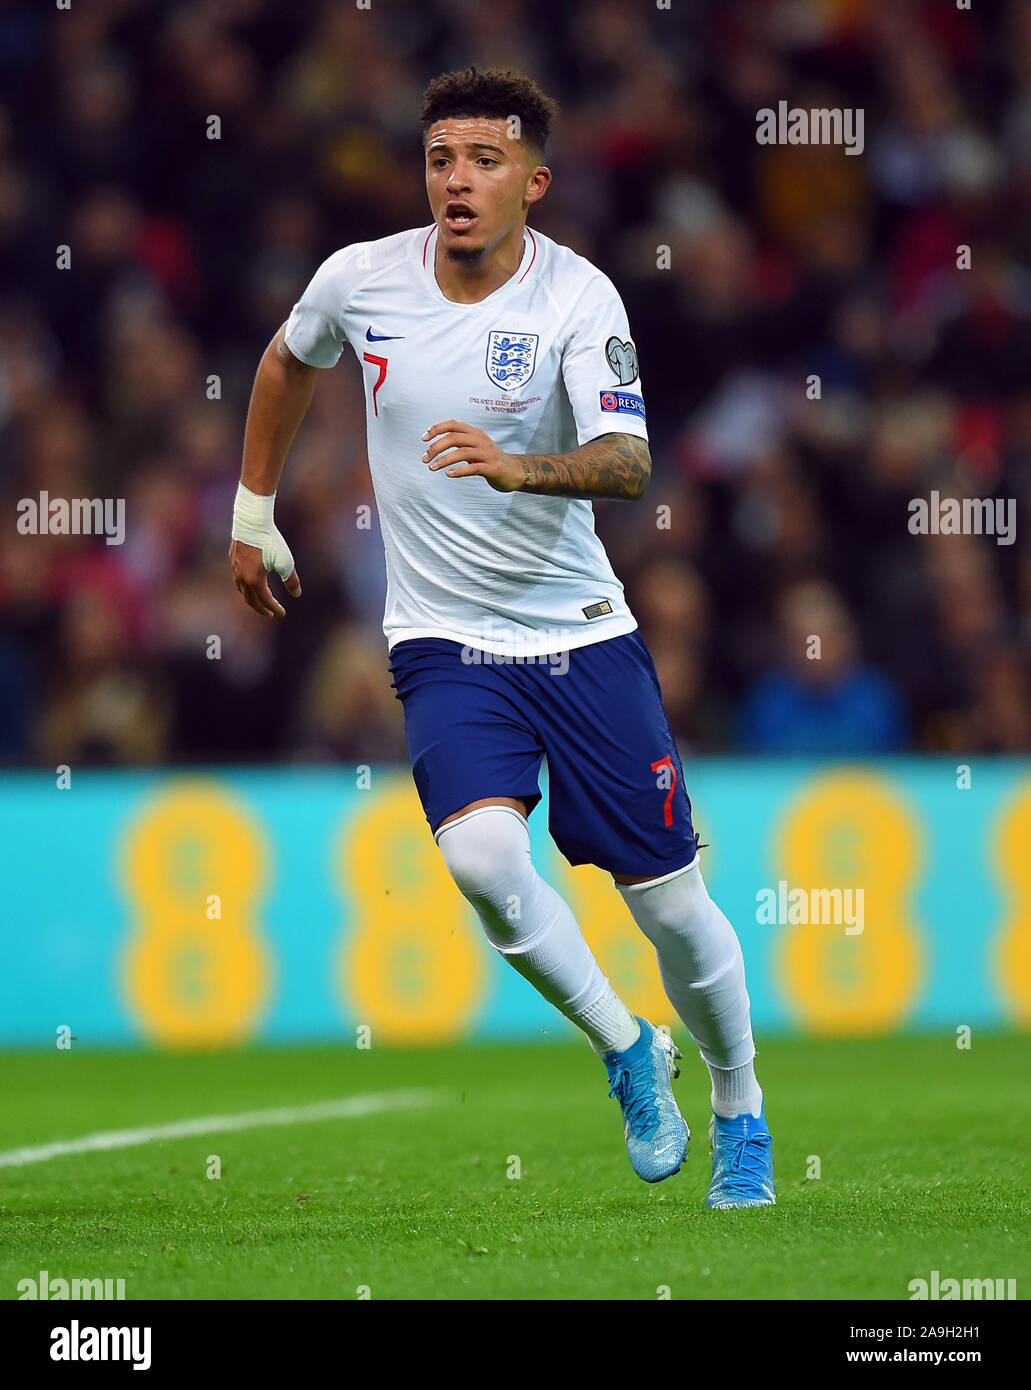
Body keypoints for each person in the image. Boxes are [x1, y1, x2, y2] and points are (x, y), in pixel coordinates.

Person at [229, 66, 774, 1207]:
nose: (456, 182)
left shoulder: (579, 299)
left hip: (577, 635)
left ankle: (738, 1107)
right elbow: (287, 358)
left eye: (482, 161)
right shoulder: (360, 279)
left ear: (533, 180)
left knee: (669, 902)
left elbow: (627, 462)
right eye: (438, 160)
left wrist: (515, 462)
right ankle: (627, 1049)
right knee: (478, 857)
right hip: (441, 637)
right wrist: (251, 513)